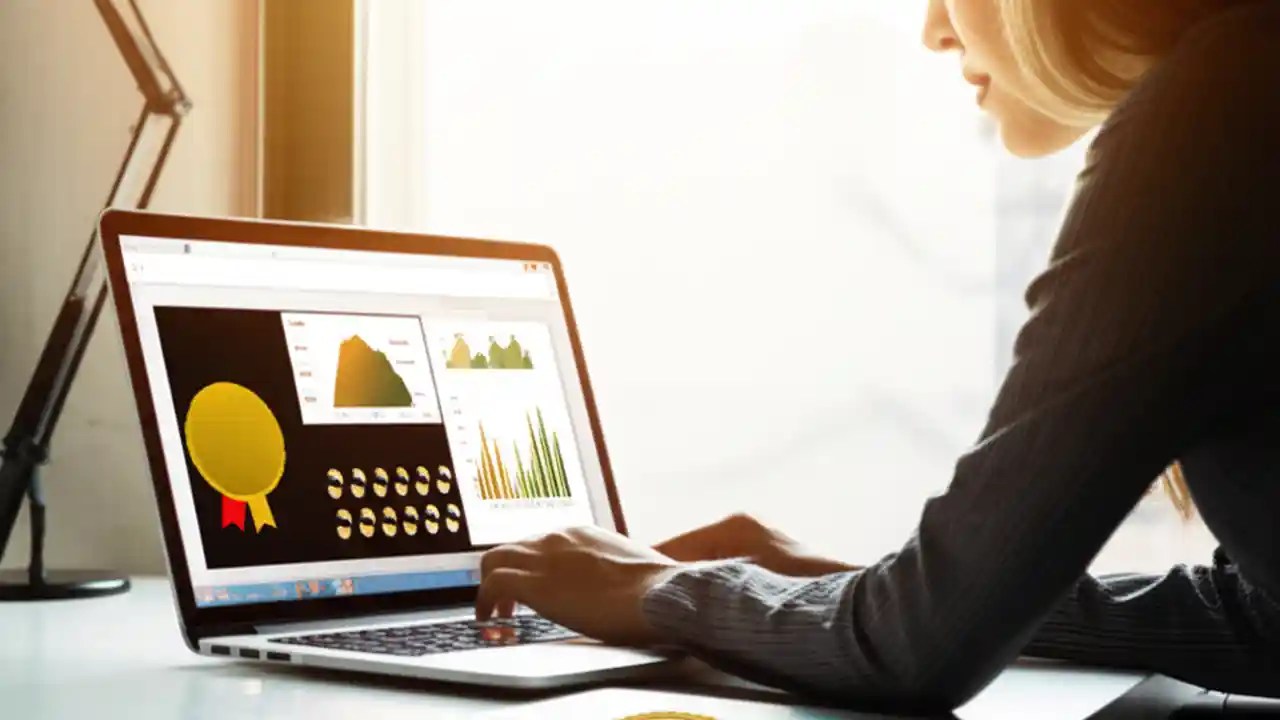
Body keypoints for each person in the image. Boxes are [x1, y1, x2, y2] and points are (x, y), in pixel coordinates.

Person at [475, 0, 1280, 711]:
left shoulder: (1216, 108)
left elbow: (919, 652)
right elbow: (1261, 620)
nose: (934, 29)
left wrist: (659, 590)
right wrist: (871, 589)